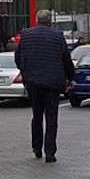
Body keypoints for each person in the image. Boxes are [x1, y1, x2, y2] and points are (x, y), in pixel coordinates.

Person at [14, 10, 75, 163]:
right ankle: (50, 153)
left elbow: (18, 56)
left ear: (36, 20)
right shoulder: (57, 36)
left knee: (37, 116)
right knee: (51, 117)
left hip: (33, 82)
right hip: (52, 83)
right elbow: (66, 60)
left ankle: (36, 148)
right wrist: (71, 78)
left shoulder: (26, 35)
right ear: (50, 21)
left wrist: (24, 71)